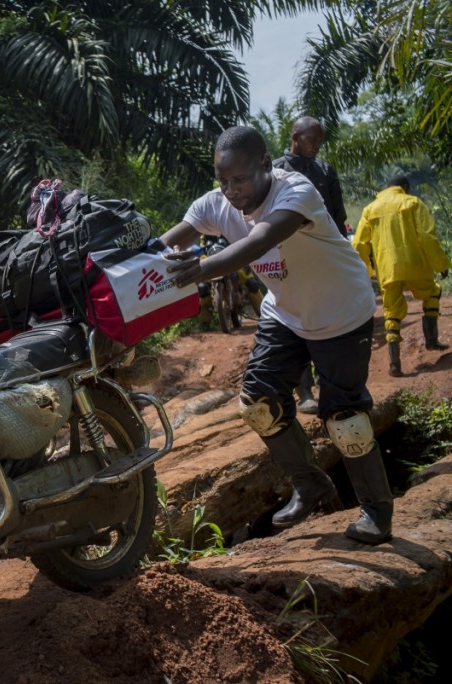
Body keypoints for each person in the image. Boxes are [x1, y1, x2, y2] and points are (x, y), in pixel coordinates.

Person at [161, 125, 392, 545]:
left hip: (340, 312)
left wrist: (202, 269)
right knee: (259, 404)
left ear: (266, 166)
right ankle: (311, 483)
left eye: (241, 179)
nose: (231, 190)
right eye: (223, 180)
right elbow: (168, 242)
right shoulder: (215, 203)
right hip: (286, 313)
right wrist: (126, 266)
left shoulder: (295, 191)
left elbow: (261, 239)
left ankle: (377, 511)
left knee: (345, 421)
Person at [273, 116, 349, 414]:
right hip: (289, 258)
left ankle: (328, 386)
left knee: (328, 321)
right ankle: (304, 390)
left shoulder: (325, 171)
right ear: (296, 136)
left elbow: (337, 214)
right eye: (312, 140)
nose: (317, 146)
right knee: (299, 320)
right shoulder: (276, 170)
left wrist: (342, 252)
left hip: (324, 257)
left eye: (320, 141)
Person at [352, 175, 451, 376]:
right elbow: (427, 236)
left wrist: (367, 271)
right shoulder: (412, 202)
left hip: (388, 270)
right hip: (416, 265)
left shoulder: (370, 209)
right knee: (432, 293)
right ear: (404, 187)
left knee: (391, 313)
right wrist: (440, 264)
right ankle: (431, 341)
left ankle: (395, 363)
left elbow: (359, 245)